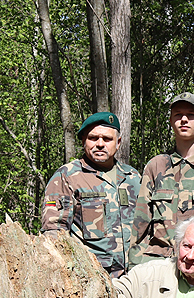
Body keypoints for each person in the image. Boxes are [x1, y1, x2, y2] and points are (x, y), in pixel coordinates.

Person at [132, 93, 194, 267]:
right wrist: (135, 267)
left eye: (191, 115)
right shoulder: (156, 166)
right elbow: (140, 225)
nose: (184, 120)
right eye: (178, 115)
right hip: (158, 265)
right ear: (171, 120)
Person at [41, 111, 142, 275]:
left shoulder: (133, 177)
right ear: (83, 141)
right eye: (93, 138)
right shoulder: (67, 177)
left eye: (107, 139)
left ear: (118, 142)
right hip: (91, 278)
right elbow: (54, 235)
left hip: (132, 278)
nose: (100, 144)